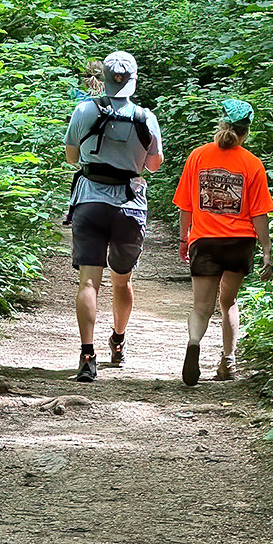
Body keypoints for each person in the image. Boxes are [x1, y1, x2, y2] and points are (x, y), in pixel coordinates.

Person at [64, 51, 163, 382]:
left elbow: (71, 157)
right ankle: (118, 342)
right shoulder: (145, 118)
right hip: (129, 207)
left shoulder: (83, 110)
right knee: (122, 281)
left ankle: (87, 355)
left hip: (89, 203)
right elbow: (153, 164)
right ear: (133, 81)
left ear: (103, 79)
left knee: (88, 281)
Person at [172, 99, 273, 386]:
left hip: (205, 241)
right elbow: (259, 213)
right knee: (228, 302)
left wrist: (184, 238)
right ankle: (228, 361)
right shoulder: (252, 164)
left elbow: (185, 205)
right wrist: (266, 251)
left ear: (222, 124)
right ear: (246, 131)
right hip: (240, 243)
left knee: (201, 307)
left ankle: (194, 342)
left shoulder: (198, 156)